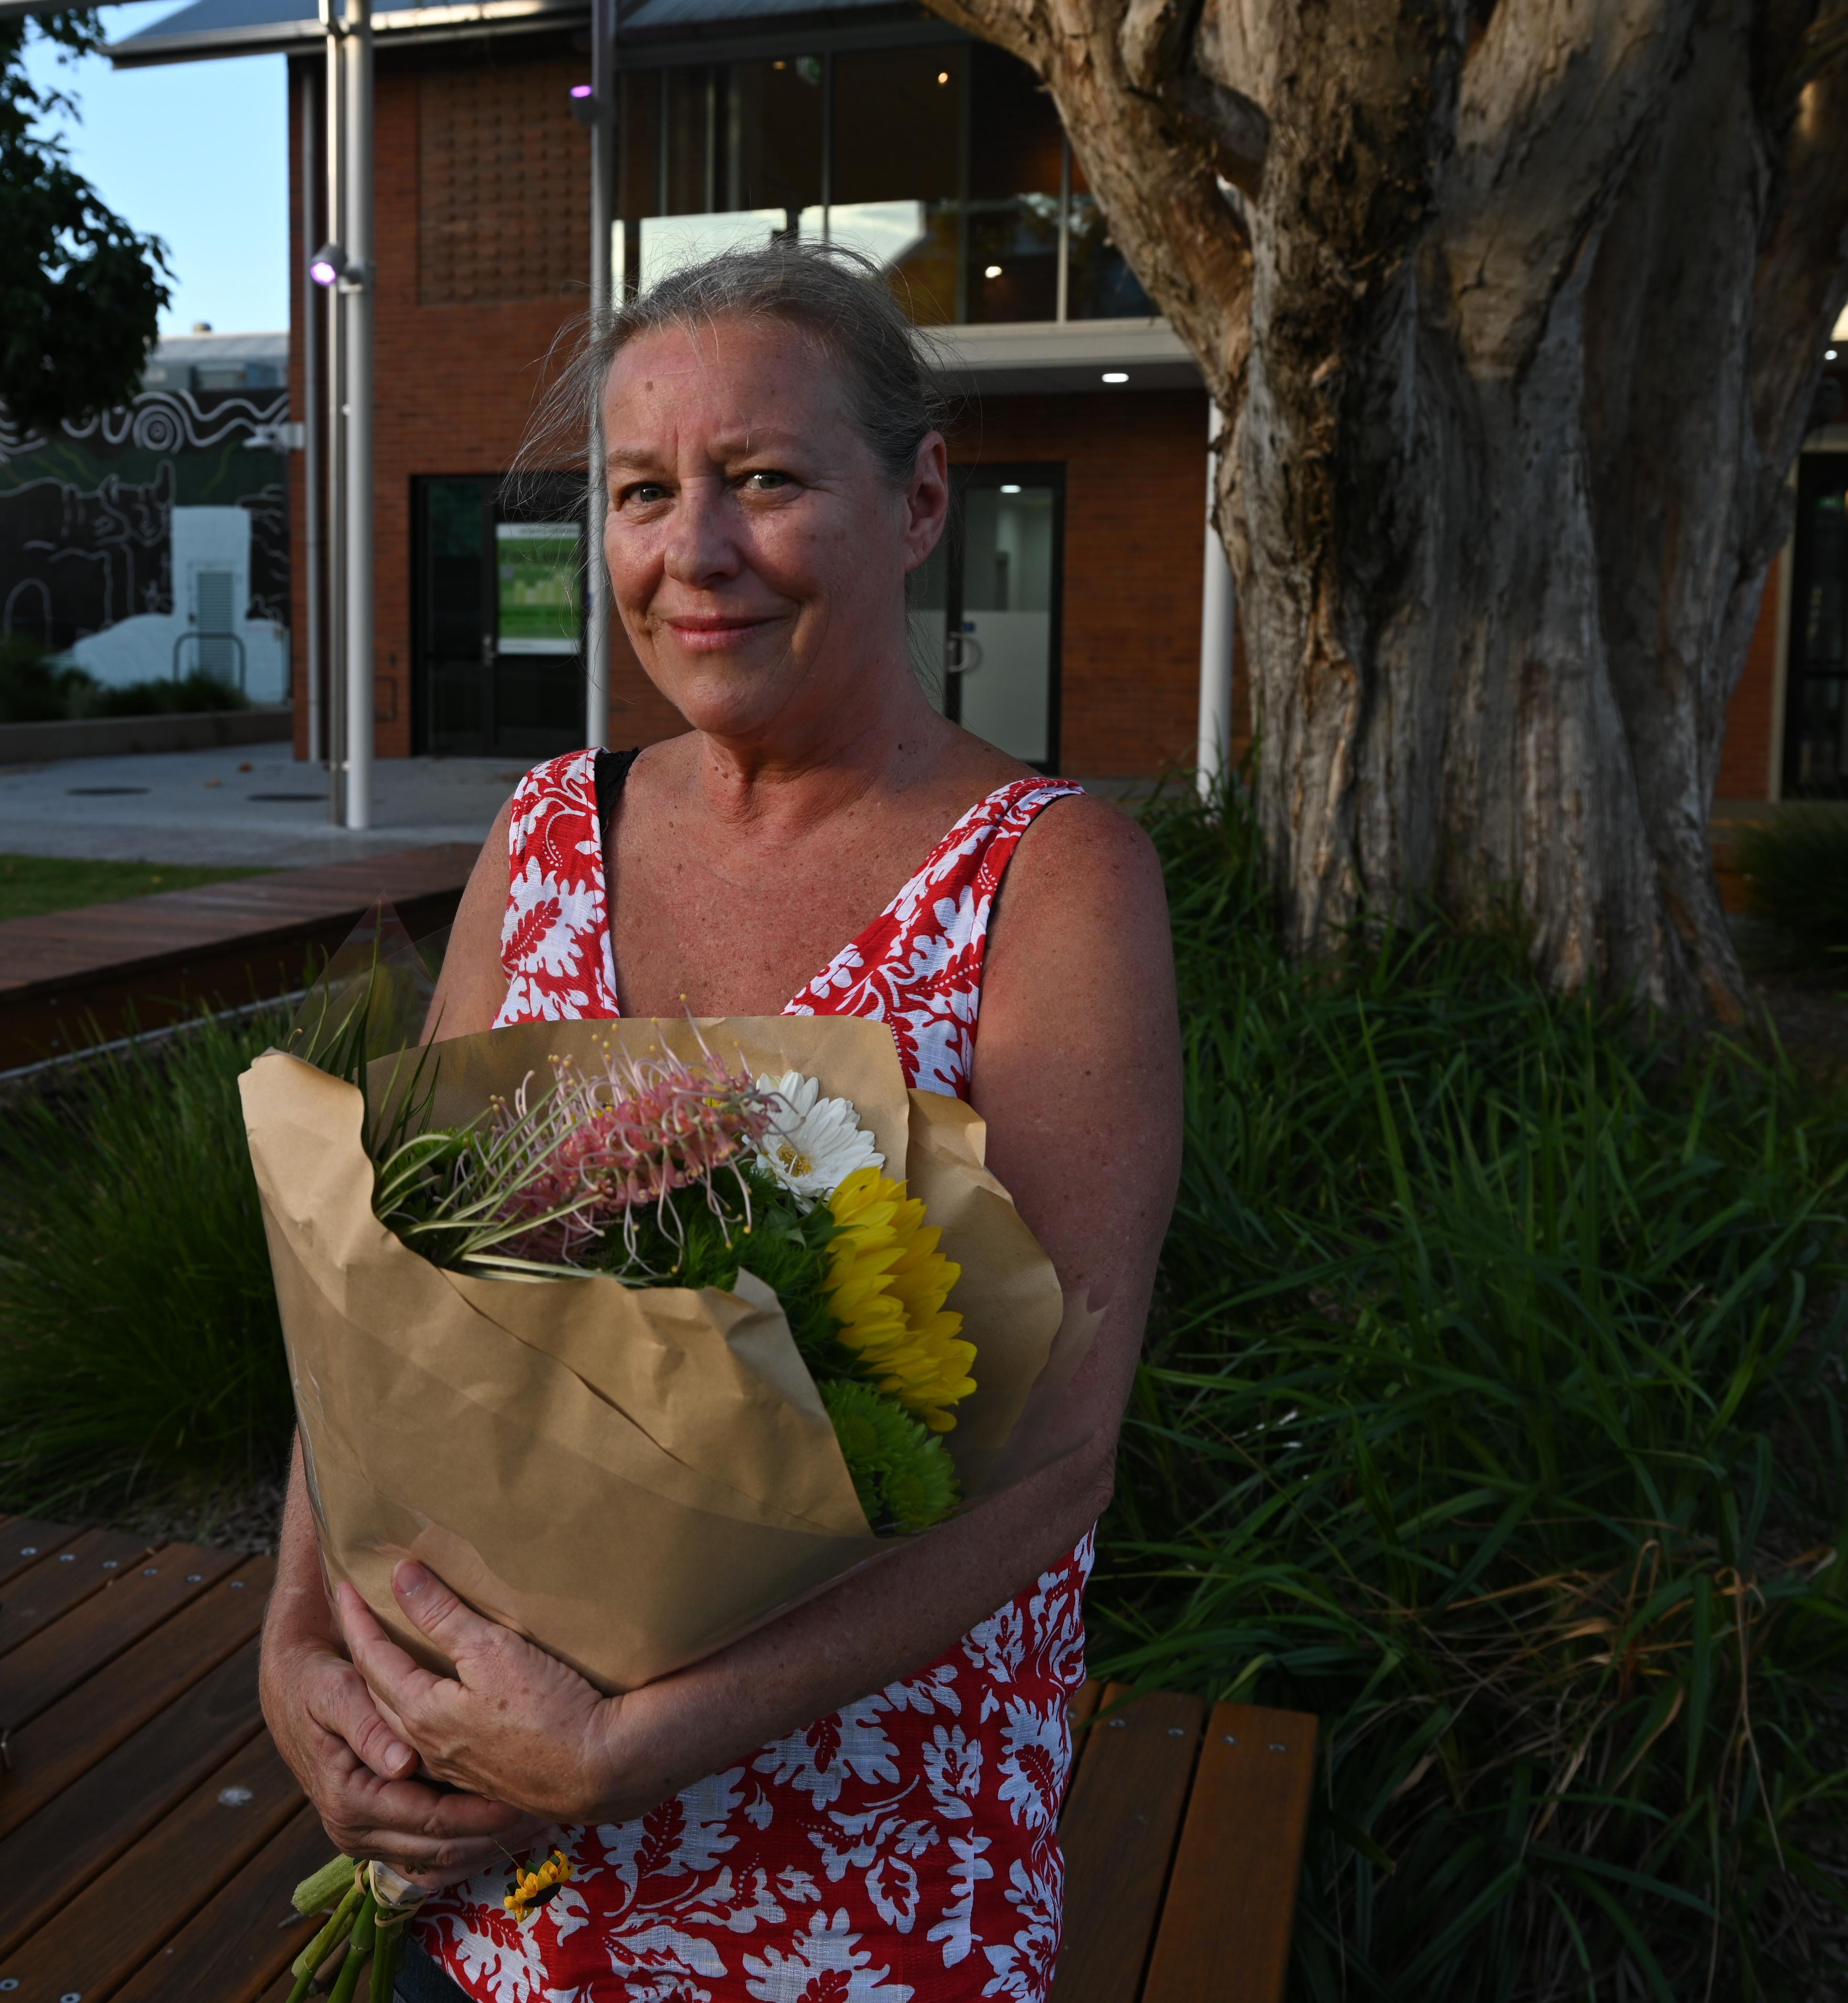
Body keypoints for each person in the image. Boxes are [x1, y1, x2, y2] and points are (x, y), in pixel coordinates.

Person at [256, 241, 1183, 2003]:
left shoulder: (1051, 884)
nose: (696, 553)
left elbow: (1059, 1458)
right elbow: (377, 1297)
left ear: (916, 501)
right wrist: (300, 1638)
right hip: (486, 1857)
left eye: (764, 479)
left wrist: (631, 1749)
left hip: (861, 1883)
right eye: (642, 490)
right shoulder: (544, 835)